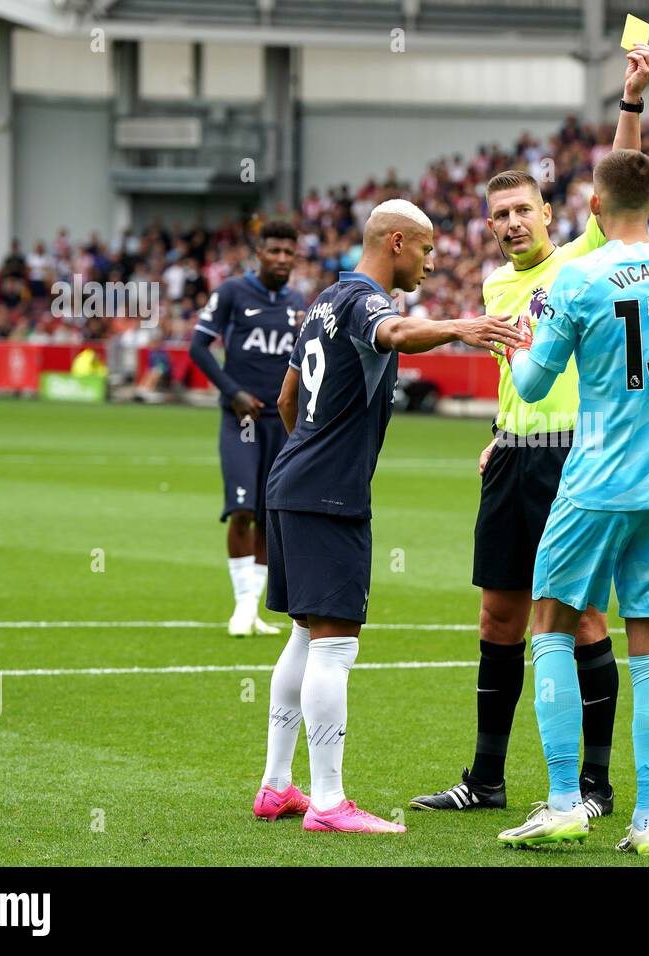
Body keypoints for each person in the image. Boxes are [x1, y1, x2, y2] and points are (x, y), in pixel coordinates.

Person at [409, 43, 649, 819]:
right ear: (490, 228)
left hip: (572, 463)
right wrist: (500, 429)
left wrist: (631, 100)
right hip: (513, 459)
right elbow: (516, 371)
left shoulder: (583, 260)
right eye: (501, 216)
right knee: (499, 616)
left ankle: (595, 784)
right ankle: (485, 779)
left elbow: (620, 178)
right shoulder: (493, 284)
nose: (513, 223)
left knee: (581, 616)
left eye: (525, 210)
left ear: (553, 215)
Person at [495, 149, 649, 855]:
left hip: (598, 482)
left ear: (595, 211)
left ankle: (563, 800)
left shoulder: (578, 278)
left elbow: (538, 385)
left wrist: (517, 345)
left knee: (549, 624)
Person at [251, 200, 520, 832]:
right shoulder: (369, 303)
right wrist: (462, 326)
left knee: (302, 634)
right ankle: (327, 802)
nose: (432, 262)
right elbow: (395, 334)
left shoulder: (321, 302)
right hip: (329, 497)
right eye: (427, 250)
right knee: (335, 646)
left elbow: (288, 398)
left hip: (290, 483)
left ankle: (276, 786)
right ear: (396, 242)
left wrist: (310, 450)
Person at [189, 221, 306, 637]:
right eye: (273, 251)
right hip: (241, 420)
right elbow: (197, 347)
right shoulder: (232, 293)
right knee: (241, 509)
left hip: (283, 423)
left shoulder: (298, 302)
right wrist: (233, 391)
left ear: (296, 256)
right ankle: (241, 607)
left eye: (288, 252)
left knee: (268, 514)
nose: (280, 258)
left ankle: (252, 608)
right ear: (259, 251)